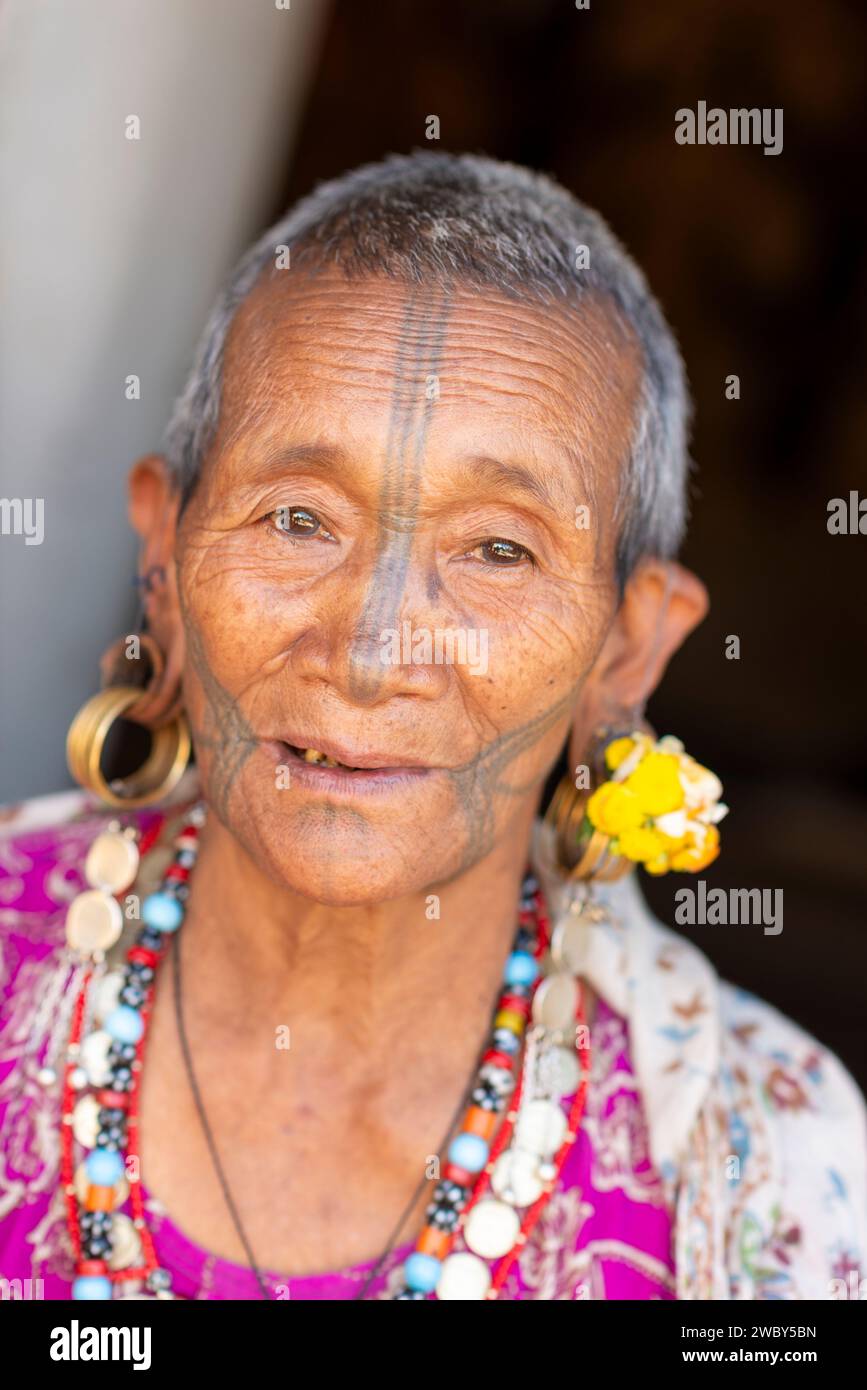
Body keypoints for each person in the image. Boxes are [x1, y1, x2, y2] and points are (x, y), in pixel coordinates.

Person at [1, 152, 864, 1302]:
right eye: (298, 518)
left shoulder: (771, 1163)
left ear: (629, 648)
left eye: (500, 550)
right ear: (162, 556)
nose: (367, 652)